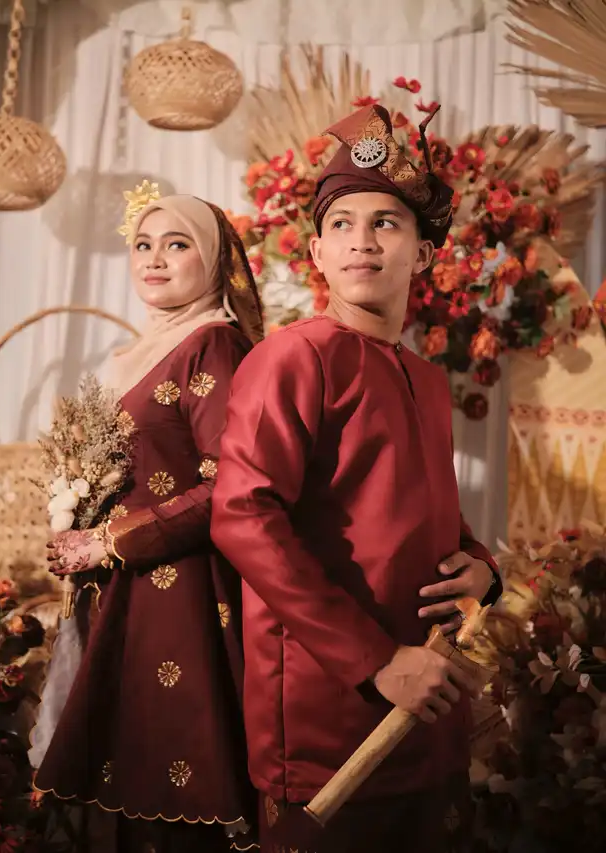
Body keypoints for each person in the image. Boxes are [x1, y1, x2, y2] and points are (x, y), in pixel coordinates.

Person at [210, 104, 503, 853]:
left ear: (423, 252)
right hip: (329, 719)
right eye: (341, 224)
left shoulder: (424, 378)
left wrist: (483, 568)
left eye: (385, 223)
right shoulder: (293, 357)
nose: (361, 240)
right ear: (316, 251)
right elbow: (242, 517)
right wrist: (377, 662)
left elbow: (431, 513)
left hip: (429, 700)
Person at [33, 189, 264, 853]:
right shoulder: (145, 350)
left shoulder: (213, 345)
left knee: (173, 800)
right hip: (131, 595)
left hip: (184, 599)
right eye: (143, 245)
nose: (154, 259)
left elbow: (231, 488)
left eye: (177, 244)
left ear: (214, 261)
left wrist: (108, 540)